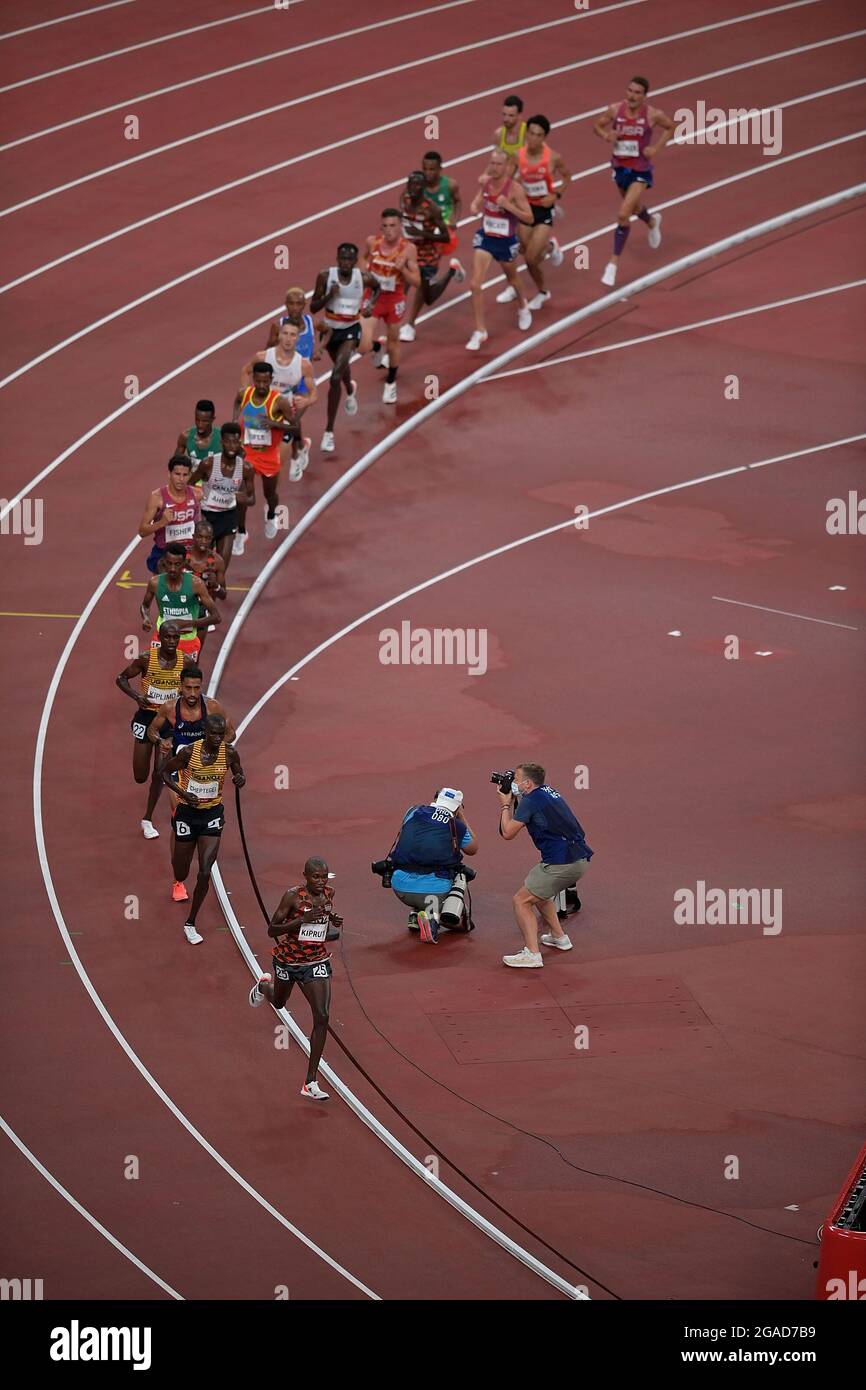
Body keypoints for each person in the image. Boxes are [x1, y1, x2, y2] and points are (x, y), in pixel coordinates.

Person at [248, 858, 342, 1101]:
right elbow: (272, 930)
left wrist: (333, 922)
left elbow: (321, 929)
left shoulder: (329, 894)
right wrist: (302, 921)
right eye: (315, 877)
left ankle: (310, 1081)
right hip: (289, 961)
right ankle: (263, 986)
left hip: (316, 961)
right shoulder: (292, 897)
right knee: (279, 1003)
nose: (320, 882)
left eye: (324, 877)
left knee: (322, 1015)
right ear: (305, 876)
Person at [496, 763, 593, 968]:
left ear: (528, 783)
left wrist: (505, 804)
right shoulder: (547, 792)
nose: (513, 782)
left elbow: (507, 833)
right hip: (578, 858)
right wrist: (517, 800)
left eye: (516, 779)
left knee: (521, 901)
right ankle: (559, 937)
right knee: (539, 892)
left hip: (562, 863)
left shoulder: (530, 801)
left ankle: (532, 954)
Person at [161, 714, 245, 945]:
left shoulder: (228, 753)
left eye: (221, 734)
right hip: (187, 813)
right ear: (205, 733)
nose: (218, 738)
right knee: (181, 870)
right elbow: (165, 773)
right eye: (213, 734)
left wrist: (240, 778)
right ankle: (178, 881)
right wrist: (183, 793)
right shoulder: (189, 753)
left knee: (205, 870)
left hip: (212, 815)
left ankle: (190, 922)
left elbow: (239, 772)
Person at [594, 76, 674, 287]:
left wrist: (656, 148)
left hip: (641, 170)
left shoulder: (653, 115)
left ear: (644, 96)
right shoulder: (615, 110)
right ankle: (652, 222)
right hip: (620, 168)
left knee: (623, 213)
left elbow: (671, 126)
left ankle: (612, 265)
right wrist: (606, 135)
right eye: (630, 90)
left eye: (637, 92)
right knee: (635, 207)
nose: (632, 95)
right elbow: (597, 125)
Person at [115, 620, 189, 839]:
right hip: (146, 718)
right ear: (160, 638)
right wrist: (137, 696)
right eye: (168, 637)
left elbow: (192, 688)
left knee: (160, 772)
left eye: (176, 638)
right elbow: (121, 679)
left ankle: (147, 819)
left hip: (169, 722)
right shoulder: (146, 659)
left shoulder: (184, 662)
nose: (172, 641)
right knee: (140, 776)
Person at [309, 243, 378, 452]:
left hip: (351, 329)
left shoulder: (362, 278)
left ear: (355, 261)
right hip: (330, 330)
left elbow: (378, 287)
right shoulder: (325, 276)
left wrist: (370, 304)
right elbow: (313, 308)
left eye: (349, 260)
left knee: (335, 376)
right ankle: (350, 388)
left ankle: (328, 432)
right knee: (342, 369)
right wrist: (330, 295)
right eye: (342, 259)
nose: (345, 263)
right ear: (337, 259)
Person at [496, 115, 569, 311]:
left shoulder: (553, 157)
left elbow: (568, 177)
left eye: (538, 135)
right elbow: (508, 180)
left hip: (544, 210)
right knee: (527, 252)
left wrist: (556, 195)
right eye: (531, 133)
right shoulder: (518, 156)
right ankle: (551, 247)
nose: (533, 138)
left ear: (544, 137)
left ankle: (543, 292)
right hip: (525, 210)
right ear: (526, 133)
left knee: (530, 259)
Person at [389, 788, 477, 943]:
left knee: (419, 857)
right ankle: (433, 919)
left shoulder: (413, 812)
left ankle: (415, 915)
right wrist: (462, 818)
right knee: (460, 874)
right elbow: (473, 849)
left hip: (399, 886)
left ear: (436, 801)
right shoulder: (456, 825)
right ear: (458, 807)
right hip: (432, 892)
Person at [466, 149, 533, 350]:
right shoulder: (486, 182)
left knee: (513, 278)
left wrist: (509, 207)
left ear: (507, 167)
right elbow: (478, 200)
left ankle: (523, 306)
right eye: (492, 163)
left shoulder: (515, 189)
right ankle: (480, 330)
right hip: (486, 238)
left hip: (505, 241)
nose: (494, 167)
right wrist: (475, 206)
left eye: (498, 164)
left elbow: (529, 218)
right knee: (475, 285)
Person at [241, 321, 317, 483]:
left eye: (293, 335)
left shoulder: (304, 365)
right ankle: (301, 445)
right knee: (252, 461)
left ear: (298, 339)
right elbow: (245, 371)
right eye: (285, 334)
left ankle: (271, 504)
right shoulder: (263, 357)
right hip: (260, 413)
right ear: (279, 335)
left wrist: (306, 401)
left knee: (276, 465)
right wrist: (246, 395)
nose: (288, 339)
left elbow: (314, 395)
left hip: (284, 415)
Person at [397, 167, 464, 344]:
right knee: (400, 286)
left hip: (428, 256)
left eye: (418, 185)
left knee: (428, 298)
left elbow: (444, 236)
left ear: (424, 187)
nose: (414, 188)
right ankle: (407, 325)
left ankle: (452, 270)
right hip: (409, 252)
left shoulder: (431, 209)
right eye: (411, 184)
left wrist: (422, 234)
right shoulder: (404, 200)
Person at [361, 209, 421, 404]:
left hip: (394, 299)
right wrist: (365, 275)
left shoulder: (408, 249)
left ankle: (390, 382)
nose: (389, 230)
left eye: (393, 225)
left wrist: (402, 268)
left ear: (400, 226)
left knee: (394, 342)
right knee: (362, 346)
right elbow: (362, 259)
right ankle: (377, 347)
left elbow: (417, 281)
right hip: (373, 297)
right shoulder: (373, 242)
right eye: (385, 226)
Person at [233, 362, 295, 541]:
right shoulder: (244, 393)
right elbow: (237, 402)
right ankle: (241, 531)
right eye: (258, 381)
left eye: (265, 382)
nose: (261, 386)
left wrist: (274, 424)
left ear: (271, 380)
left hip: (268, 455)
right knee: (242, 493)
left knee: (270, 494)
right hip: (248, 452)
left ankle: (271, 515)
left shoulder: (279, 401)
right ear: (254, 379)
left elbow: (295, 427)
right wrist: (235, 420)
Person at [187, 422, 255, 567]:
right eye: (228, 442)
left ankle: (217, 588)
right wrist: (197, 498)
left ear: (240, 443)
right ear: (222, 442)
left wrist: (243, 499)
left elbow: (252, 498)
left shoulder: (246, 468)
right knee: (202, 565)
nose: (231, 446)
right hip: (207, 518)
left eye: (235, 442)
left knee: (221, 566)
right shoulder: (208, 464)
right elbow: (190, 484)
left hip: (228, 517)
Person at [140, 542, 221, 662]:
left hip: (187, 640)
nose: (172, 569)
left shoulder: (196, 584)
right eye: (169, 563)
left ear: (184, 564)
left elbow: (216, 617)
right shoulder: (155, 583)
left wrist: (187, 624)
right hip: (161, 639)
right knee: (158, 676)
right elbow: (145, 606)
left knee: (186, 678)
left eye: (177, 564)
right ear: (163, 562)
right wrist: (145, 618)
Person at [138, 456, 200, 575]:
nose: (181, 479)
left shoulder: (197, 495)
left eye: (185, 475)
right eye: (177, 474)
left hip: (189, 554)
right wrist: (162, 522)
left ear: (190, 475)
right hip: (165, 555)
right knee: (162, 590)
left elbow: (199, 524)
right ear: (169, 474)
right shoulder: (157, 498)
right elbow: (142, 531)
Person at [176, 400, 221, 468]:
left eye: (204, 421)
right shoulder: (185, 436)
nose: (200, 425)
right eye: (197, 420)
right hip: (193, 477)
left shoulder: (222, 437)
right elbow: (175, 463)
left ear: (212, 419)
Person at [495, 94, 527, 170]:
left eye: (511, 115)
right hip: (508, 175)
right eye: (504, 114)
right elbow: (497, 160)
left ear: (519, 116)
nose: (506, 119)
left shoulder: (528, 133)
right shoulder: (499, 134)